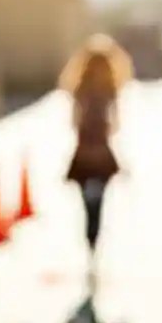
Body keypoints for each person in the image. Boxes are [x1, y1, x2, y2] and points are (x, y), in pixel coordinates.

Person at [61, 34, 130, 269]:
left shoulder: (82, 88)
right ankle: (93, 237)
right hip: (99, 150)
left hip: (86, 150)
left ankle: (90, 237)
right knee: (97, 201)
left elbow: (74, 120)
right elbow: (115, 122)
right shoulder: (107, 89)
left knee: (89, 203)